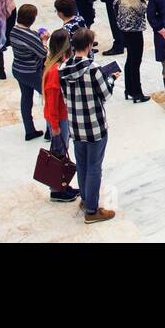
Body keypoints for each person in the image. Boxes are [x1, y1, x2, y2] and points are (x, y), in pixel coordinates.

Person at [58, 27, 118, 223]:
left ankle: (85, 199)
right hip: (94, 125)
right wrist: (111, 79)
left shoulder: (63, 68)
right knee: (94, 167)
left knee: (82, 164)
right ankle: (92, 210)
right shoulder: (93, 69)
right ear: (90, 46)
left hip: (75, 124)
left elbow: (65, 95)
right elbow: (106, 94)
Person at [40, 29, 81, 203]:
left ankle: (61, 184)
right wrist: (55, 126)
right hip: (58, 119)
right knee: (58, 154)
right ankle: (56, 190)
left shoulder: (54, 66)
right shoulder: (55, 71)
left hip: (60, 117)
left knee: (61, 152)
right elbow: (51, 100)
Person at [7, 3, 47, 141]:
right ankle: (50, 130)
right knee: (48, 96)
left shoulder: (13, 31)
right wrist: (44, 41)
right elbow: (43, 53)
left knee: (26, 98)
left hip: (18, 69)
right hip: (32, 71)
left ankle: (29, 130)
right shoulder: (31, 36)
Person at [114, 0, 149, 103]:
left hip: (124, 31)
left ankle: (129, 89)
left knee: (130, 60)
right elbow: (144, 9)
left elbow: (114, 6)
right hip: (135, 32)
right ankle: (137, 92)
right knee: (135, 62)